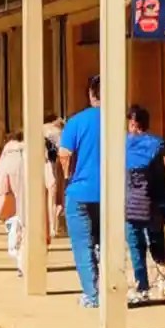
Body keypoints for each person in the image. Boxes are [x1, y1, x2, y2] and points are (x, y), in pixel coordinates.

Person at [124, 105, 165, 304]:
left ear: (131, 123)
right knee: (156, 241)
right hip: (154, 203)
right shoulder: (158, 143)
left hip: (130, 205)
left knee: (136, 246)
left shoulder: (122, 145)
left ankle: (142, 286)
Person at [59, 75, 103, 308]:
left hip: (80, 191)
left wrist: (68, 177)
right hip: (111, 192)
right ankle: (111, 287)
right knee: (108, 243)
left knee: (82, 244)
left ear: (91, 94)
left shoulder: (76, 122)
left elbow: (64, 155)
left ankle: (92, 294)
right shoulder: (120, 121)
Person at [0, 130, 56, 276]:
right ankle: (35, 261)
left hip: (15, 203)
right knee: (37, 228)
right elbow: (51, 183)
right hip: (38, 200)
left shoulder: (7, 158)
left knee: (19, 229)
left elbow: (2, 186)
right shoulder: (38, 154)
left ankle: (22, 264)